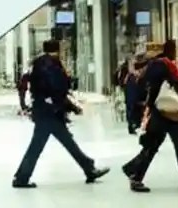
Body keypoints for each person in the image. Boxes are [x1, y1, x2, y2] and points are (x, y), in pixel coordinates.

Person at [12, 40, 109, 189]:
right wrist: (68, 105)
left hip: (45, 110)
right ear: (56, 50)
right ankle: (21, 178)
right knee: (39, 145)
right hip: (49, 112)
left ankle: (88, 168)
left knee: (65, 142)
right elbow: (56, 88)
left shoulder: (38, 64)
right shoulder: (50, 65)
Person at [123, 40, 178, 192]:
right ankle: (135, 174)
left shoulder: (155, 65)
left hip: (162, 111)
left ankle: (134, 172)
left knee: (158, 145)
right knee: (166, 145)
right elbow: (160, 87)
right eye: (173, 49)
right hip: (165, 111)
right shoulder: (162, 65)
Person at [124, 56, 147, 134]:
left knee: (134, 110)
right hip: (133, 99)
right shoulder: (131, 78)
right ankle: (133, 125)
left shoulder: (134, 77)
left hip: (135, 99)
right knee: (133, 110)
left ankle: (135, 125)